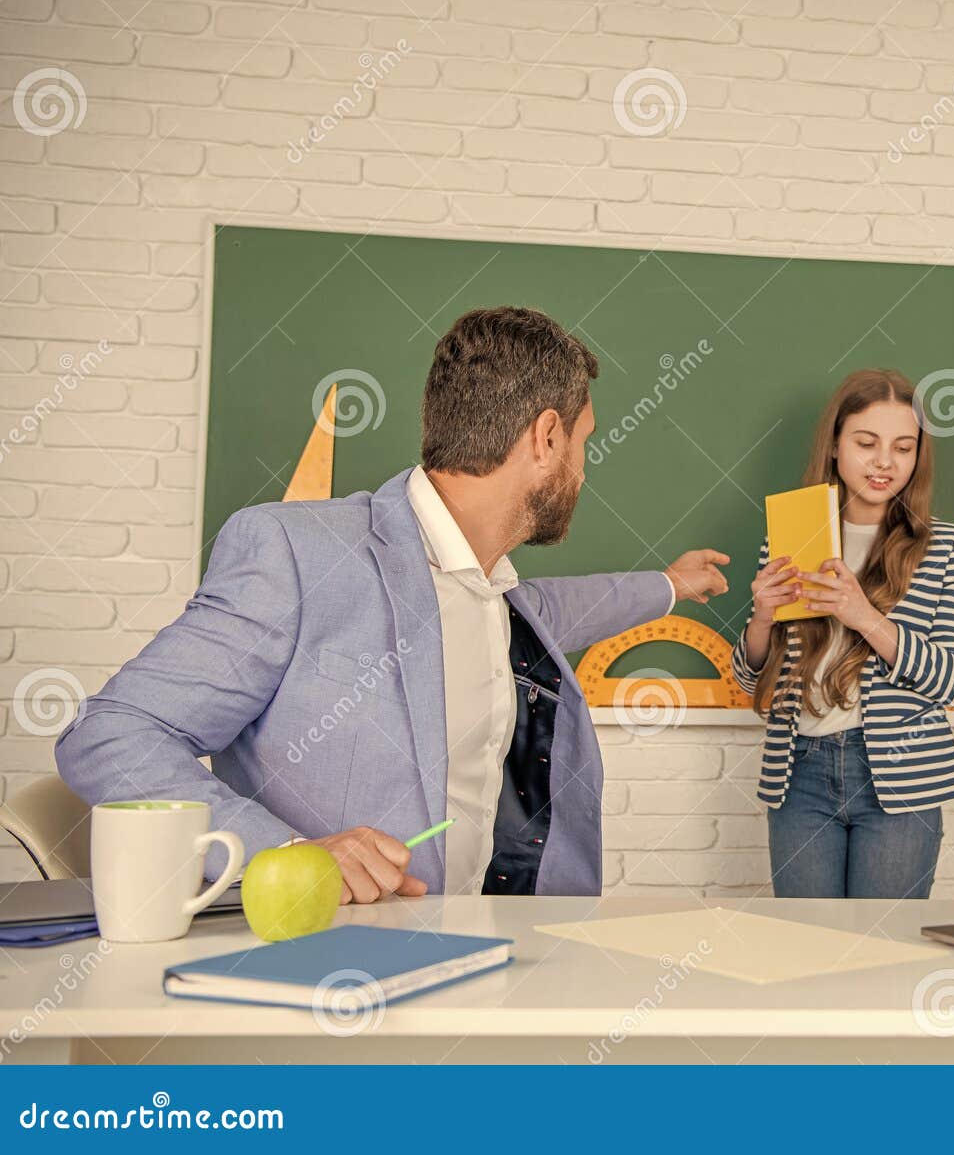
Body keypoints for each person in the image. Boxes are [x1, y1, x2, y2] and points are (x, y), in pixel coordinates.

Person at [56, 307, 729, 903]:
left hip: (487, 955)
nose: (583, 469)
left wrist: (672, 584)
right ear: (546, 438)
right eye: (583, 444)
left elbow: (571, 606)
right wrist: (284, 854)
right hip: (339, 983)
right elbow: (111, 737)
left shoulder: (496, 596)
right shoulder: (298, 553)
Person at [730, 368, 954, 899]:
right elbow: (751, 680)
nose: (885, 462)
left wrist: (864, 616)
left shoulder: (947, 547)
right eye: (866, 443)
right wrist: (762, 618)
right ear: (836, 447)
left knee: (883, 957)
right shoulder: (791, 535)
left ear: (918, 456)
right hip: (800, 776)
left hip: (900, 777)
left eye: (903, 447)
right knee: (807, 951)